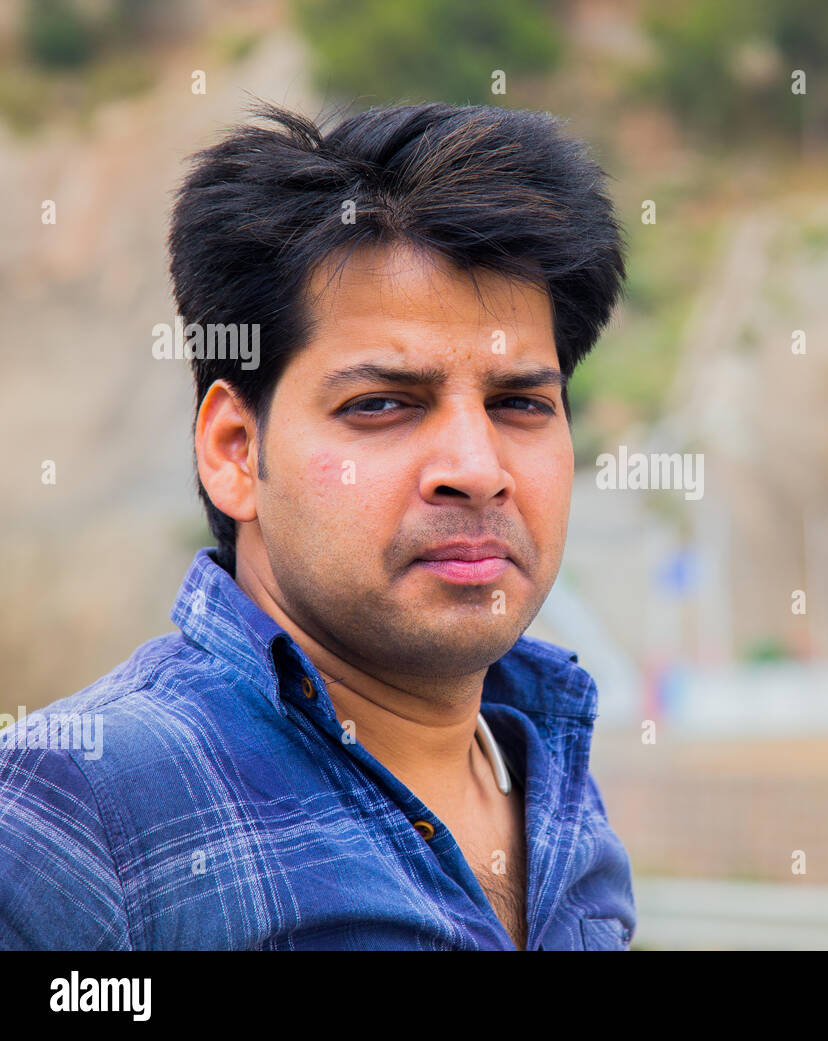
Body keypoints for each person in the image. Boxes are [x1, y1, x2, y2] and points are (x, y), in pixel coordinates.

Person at [0, 102, 635, 950]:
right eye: (381, 404)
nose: (477, 468)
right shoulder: (75, 814)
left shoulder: (554, 784)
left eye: (519, 402)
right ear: (234, 449)